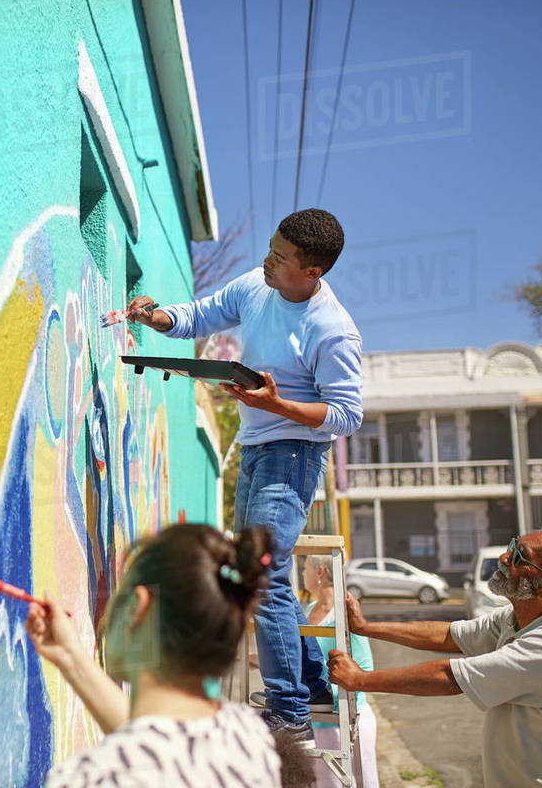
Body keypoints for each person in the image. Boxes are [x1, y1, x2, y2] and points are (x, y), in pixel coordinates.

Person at [127, 208, 363, 744]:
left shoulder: (332, 330)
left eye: (281, 258)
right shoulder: (256, 286)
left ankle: (289, 712)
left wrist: (278, 405)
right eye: (271, 248)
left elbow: (347, 415)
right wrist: (156, 317)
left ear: (313, 272)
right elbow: (200, 315)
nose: (267, 261)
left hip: (295, 454)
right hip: (256, 448)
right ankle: (311, 686)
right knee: (261, 571)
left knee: (260, 573)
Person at [328, 526, 542, 787]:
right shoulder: (519, 617)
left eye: (519, 557)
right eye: (513, 546)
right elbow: (449, 635)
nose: (504, 558)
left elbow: (451, 677)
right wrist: (366, 628)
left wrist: (360, 680)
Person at [25, 524, 286, 787]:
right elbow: (155, 745)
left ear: (135, 609)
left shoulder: (89, 778)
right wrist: (70, 656)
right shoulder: (249, 738)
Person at [300, 555, 379, 787]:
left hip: (349, 721)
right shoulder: (310, 609)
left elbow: (365, 668)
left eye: (305, 568)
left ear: (320, 572)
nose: (302, 573)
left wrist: (329, 693)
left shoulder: (343, 612)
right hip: (319, 720)